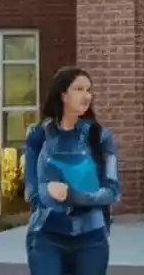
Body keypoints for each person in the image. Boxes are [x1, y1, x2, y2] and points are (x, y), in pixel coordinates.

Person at [22, 66, 120, 275]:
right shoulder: (38, 134)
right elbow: (32, 188)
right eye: (79, 89)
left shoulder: (100, 136)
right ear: (63, 94)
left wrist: (73, 196)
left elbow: (112, 191)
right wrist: (44, 200)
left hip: (91, 237)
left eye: (89, 90)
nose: (86, 96)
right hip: (46, 236)